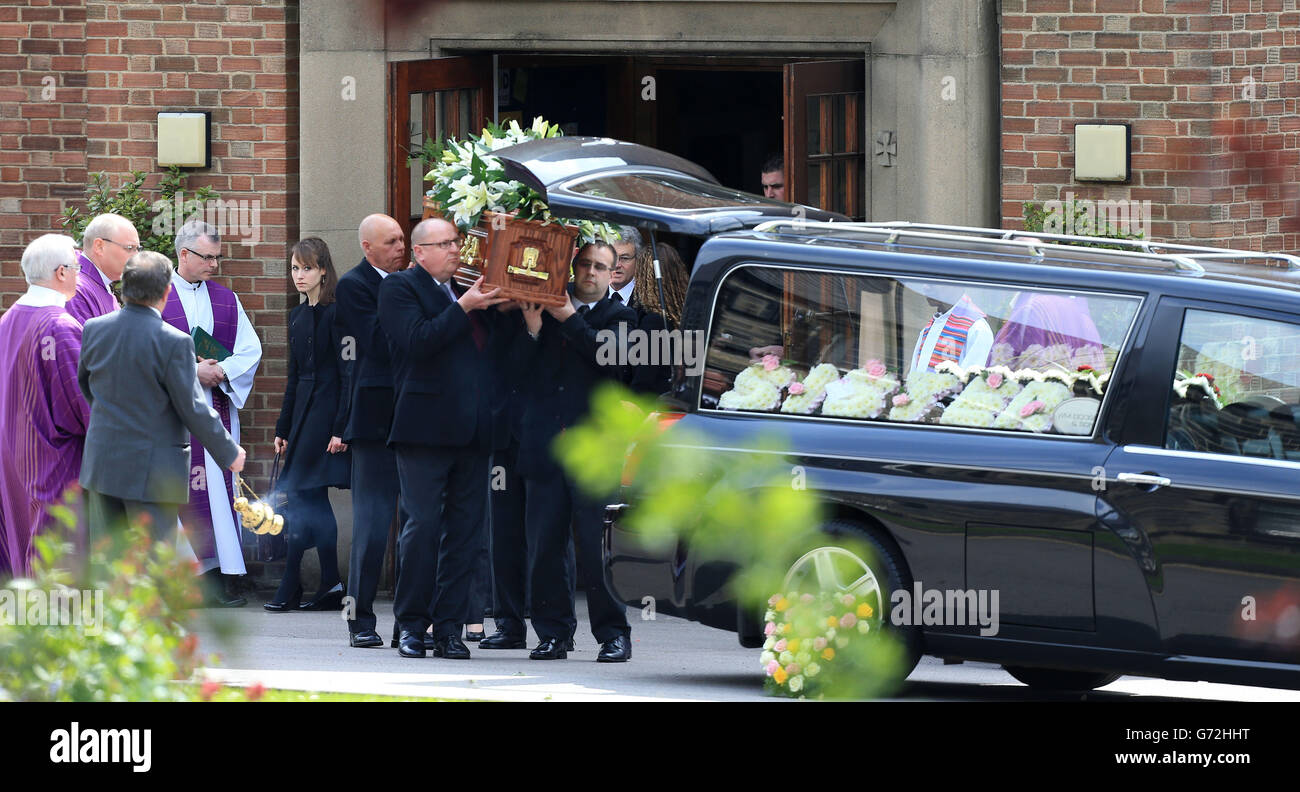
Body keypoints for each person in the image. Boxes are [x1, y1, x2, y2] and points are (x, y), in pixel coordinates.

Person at [378, 217, 508, 659]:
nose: (456, 250)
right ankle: (412, 626)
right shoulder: (400, 288)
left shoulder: (467, 289)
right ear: (420, 252)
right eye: (445, 243)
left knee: (466, 533)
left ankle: (450, 627)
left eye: (457, 242)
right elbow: (417, 341)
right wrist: (465, 306)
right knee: (422, 527)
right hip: (424, 431)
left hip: (474, 431)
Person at [513, 242, 637, 662]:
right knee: (545, 545)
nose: (590, 272)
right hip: (545, 444)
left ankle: (613, 635)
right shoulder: (543, 304)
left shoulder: (621, 317)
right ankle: (553, 633)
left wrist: (566, 318)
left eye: (600, 267)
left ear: (613, 273)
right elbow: (517, 372)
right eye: (584, 264)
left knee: (595, 544)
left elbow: (613, 361)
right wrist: (532, 329)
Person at [78, 251, 245, 549]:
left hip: (102, 466)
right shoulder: (175, 342)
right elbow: (192, 408)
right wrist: (229, 452)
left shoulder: (94, 329)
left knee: (109, 563)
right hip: (152, 471)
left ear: (123, 288)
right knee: (152, 565)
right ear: (167, 291)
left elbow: (86, 387)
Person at [162, 220, 263, 607]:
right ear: (183, 254)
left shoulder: (226, 299)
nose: (214, 266)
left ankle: (219, 577)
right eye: (207, 257)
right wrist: (193, 371)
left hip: (216, 411)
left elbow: (250, 351)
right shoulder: (156, 295)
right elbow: (144, 353)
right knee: (181, 496)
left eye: (218, 258)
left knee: (219, 499)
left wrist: (220, 372)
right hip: (174, 418)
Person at [266, 238, 351, 612]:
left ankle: (294, 584)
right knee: (305, 500)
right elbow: (294, 376)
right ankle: (328, 582)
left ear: (323, 270)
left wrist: (342, 427)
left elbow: (349, 374)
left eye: (307, 268)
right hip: (302, 417)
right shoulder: (297, 316)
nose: (299, 276)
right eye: (295, 269)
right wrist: (282, 428)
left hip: (327, 416)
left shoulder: (337, 313)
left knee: (305, 497)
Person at [334, 213, 407, 649]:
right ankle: (359, 619)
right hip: (375, 418)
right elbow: (381, 342)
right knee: (372, 525)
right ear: (368, 247)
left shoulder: (414, 284)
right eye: (392, 241)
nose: (401, 247)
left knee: (416, 525)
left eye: (403, 239)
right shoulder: (354, 284)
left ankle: (411, 621)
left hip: (416, 417)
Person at [0, 234, 91, 576]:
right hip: (53, 461)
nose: (80, 275)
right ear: (62, 272)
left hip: (13, 456)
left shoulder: (7, 319)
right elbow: (85, 404)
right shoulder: (61, 326)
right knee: (57, 558)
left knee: (22, 548)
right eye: (78, 268)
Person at [67, 213, 138, 324]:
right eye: (129, 248)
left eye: (137, 249)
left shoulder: (98, 284)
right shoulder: (76, 292)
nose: (135, 256)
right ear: (99, 246)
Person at [907, 287, 994, 374]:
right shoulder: (933, 325)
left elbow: (973, 381)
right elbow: (915, 375)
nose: (926, 286)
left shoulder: (977, 328)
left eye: (934, 280)